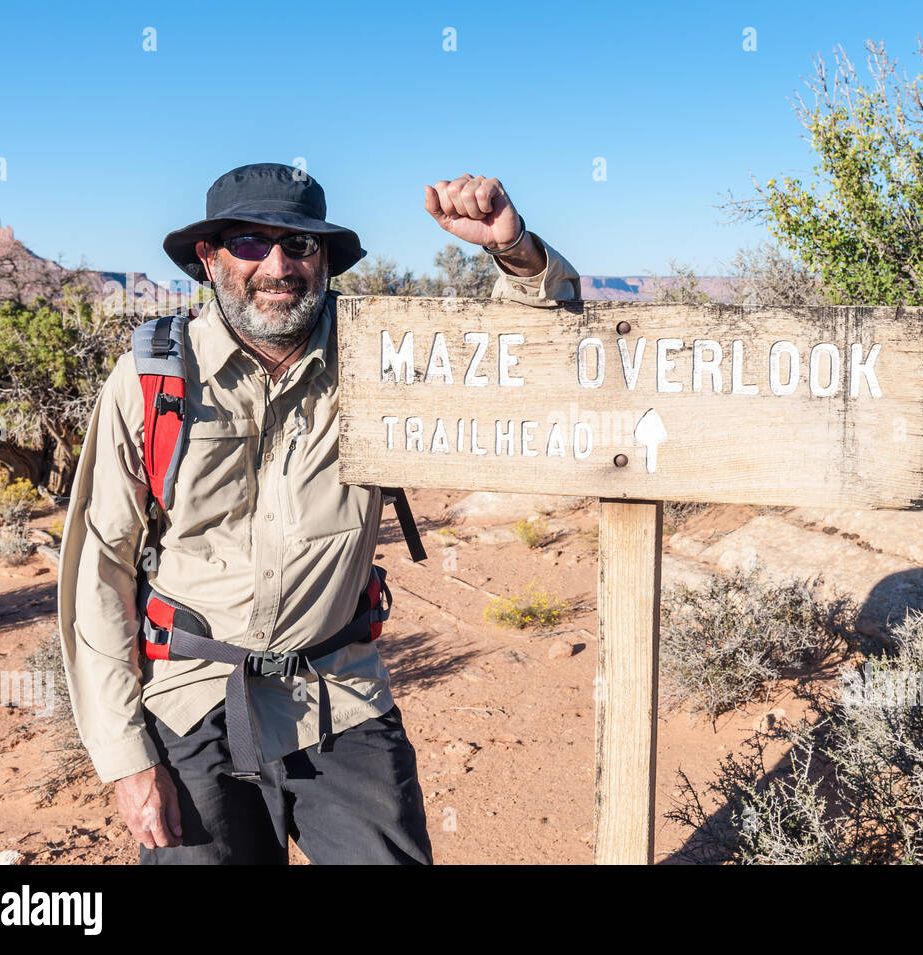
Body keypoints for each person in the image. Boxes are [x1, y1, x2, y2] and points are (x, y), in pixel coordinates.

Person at [56, 163, 581, 864]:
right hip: (190, 696)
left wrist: (511, 249)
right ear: (209, 259)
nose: (277, 265)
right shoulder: (152, 379)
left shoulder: (383, 360)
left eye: (299, 244)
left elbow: (535, 356)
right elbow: (99, 570)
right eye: (248, 242)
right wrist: (125, 756)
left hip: (338, 690)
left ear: (325, 259)